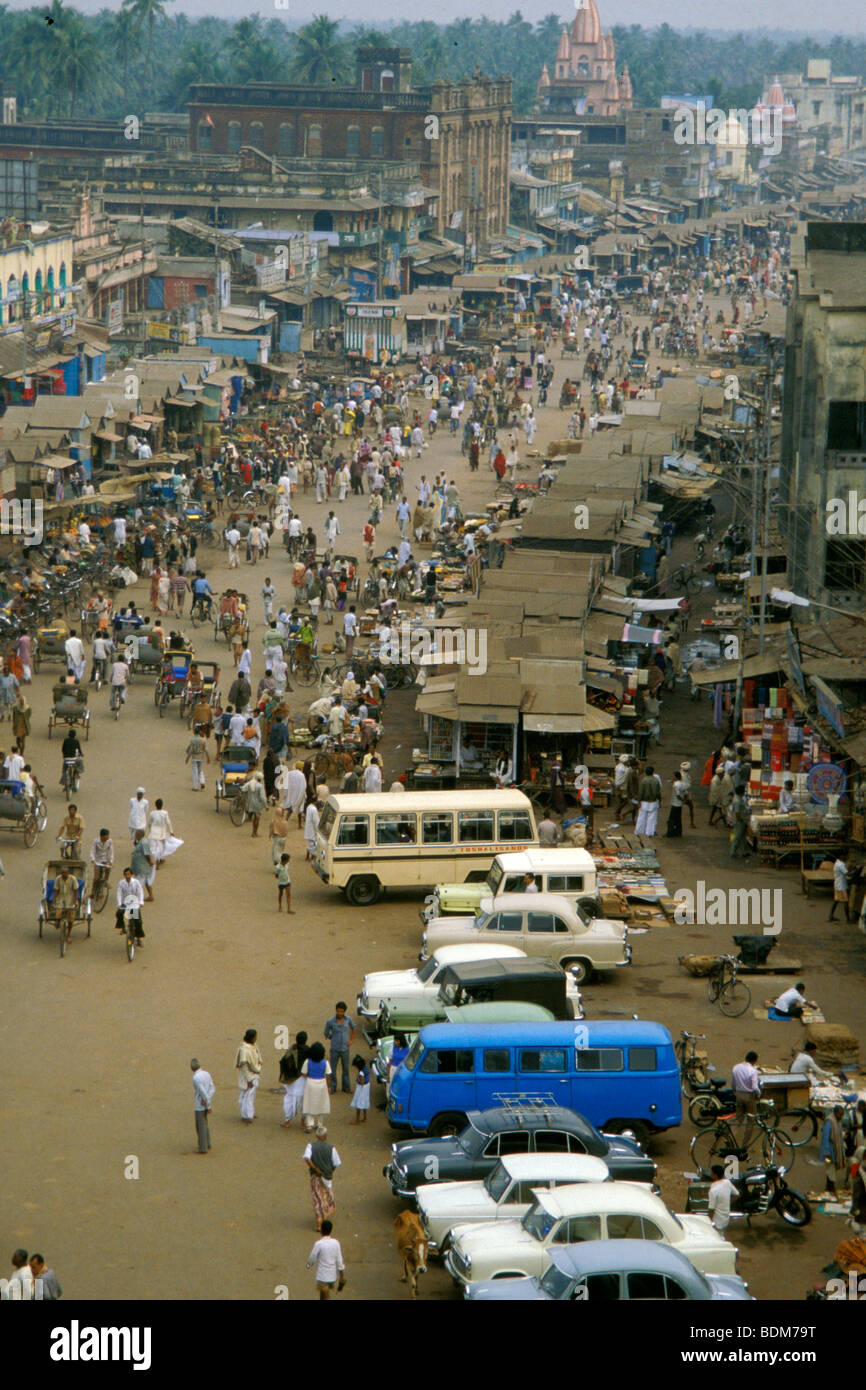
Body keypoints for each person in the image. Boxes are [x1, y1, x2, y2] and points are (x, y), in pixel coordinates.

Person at [304, 1126, 342, 1231]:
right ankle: (324, 1217)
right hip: (327, 1177)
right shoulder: (331, 1148)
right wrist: (330, 1171)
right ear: (325, 1136)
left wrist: (315, 1168)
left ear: (316, 1136)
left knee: (317, 1198)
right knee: (326, 1196)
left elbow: (307, 1158)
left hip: (315, 1177)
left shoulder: (310, 1146)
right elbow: (336, 1163)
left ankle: (319, 1222)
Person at [306, 1219, 345, 1300]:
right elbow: (339, 1259)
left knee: (325, 1297)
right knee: (322, 1296)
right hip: (332, 1277)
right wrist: (341, 1275)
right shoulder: (336, 1243)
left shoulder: (319, 1244)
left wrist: (309, 1265)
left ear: (321, 1231)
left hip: (323, 1277)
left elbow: (313, 1256)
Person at [324, 1002, 355, 1096]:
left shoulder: (348, 1019)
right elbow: (326, 1033)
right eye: (338, 1011)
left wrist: (351, 1040)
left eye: (342, 1011)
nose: (340, 1013)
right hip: (334, 1049)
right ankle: (333, 1087)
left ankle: (346, 1087)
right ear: (336, 1010)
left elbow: (354, 1028)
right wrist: (332, 1038)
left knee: (346, 1069)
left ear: (344, 1011)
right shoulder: (330, 1021)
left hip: (345, 1049)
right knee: (333, 1069)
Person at [731, 1050, 761, 1145]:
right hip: (749, 1097)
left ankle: (730, 1137)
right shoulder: (753, 1071)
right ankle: (745, 1144)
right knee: (750, 1121)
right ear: (754, 1061)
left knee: (738, 1118)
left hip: (739, 1095)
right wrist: (758, 1094)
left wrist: (735, 1091)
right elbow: (755, 1087)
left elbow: (733, 1083)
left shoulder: (736, 1068)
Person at [280, 1032, 309, 1128]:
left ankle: (287, 1121)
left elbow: (284, 1061)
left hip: (292, 1080)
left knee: (289, 1099)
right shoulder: (309, 1050)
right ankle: (303, 1122)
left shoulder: (291, 1049)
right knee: (304, 1101)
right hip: (303, 1079)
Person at [301, 1041, 331, 1130]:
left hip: (310, 1083)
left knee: (309, 1103)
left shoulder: (307, 1061)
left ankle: (309, 1124)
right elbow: (328, 1075)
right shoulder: (325, 1062)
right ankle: (320, 1124)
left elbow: (304, 1073)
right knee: (321, 1104)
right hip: (322, 1083)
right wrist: (329, 1087)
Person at [235, 1028, 263, 1125]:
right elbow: (244, 1066)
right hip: (248, 1076)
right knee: (247, 1096)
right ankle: (245, 1116)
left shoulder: (253, 1046)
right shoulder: (244, 1050)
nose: (256, 1038)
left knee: (251, 1095)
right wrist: (248, 1080)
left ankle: (249, 1113)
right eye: (255, 1036)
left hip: (254, 1073)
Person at [821, 1105, 848, 1198]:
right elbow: (825, 1138)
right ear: (836, 1113)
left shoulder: (837, 1121)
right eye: (840, 1114)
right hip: (829, 1152)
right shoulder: (829, 1121)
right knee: (830, 1168)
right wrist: (827, 1153)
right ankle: (831, 1187)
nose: (841, 1116)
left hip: (834, 1151)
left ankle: (828, 1187)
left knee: (831, 1169)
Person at [191, 1058, 215, 1154]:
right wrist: (209, 1099)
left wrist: (207, 1103)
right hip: (206, 1101)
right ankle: (207, 1143)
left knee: (200, 1126)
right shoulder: (207, 1074)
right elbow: (212, 1088)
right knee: (205, 1124)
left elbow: (202, 1092)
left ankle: (202, 1147)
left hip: (200, 1104)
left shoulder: (196, 1078)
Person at [115, 867, 145, 944]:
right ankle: (123, 927)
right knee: (119, 913)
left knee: (137, 922)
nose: (127, 876)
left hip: (134, 903)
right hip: (126, 903)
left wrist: (141, 901)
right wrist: (119, 903)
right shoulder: (121, 883)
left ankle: (138, 938)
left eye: (128, 874)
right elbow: (119, 893)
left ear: (131, 875)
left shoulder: (136, 882)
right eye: (125, 875)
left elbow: (140, 892)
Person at [707, 1163, 738, 1233]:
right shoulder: (727, 1182)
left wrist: (708, 1222)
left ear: (715, 1175)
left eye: (711, 1172)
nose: (710, 1173)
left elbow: (711, 1209)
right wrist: (727, 1203)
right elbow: (737, 1194)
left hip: (717, 1221)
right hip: (725, 1219)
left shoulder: (713, 1190)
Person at [635, 765, 662, 837]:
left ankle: (639, 831)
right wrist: (660, 801)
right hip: (653, 801)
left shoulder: (643, 780)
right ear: (653, 772)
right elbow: (658, 793)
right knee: (652, 818)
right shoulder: (656, 781)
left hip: (644, 801)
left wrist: (639, 801)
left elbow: (641, 792)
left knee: (641, 817)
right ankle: (649, 832)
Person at [241, 769, 267, 838]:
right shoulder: (260, 786)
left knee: (254, 818)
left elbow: (243, 789)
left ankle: (253, 832)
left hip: (250, 803)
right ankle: (254, 833)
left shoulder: (250, 783)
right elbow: (262, 798)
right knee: (257, 819)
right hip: (257, 804)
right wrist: (266, 806)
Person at [729, 784, 751, 861]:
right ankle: (733, 852)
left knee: (743, 837)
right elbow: (737, 813)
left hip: (742, 820)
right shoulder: (737, 801)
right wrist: (741, 820)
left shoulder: (739, 798)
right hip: (739, 821)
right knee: (737, 837)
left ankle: (743, 851)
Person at [829, 856, 851, 922]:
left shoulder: (836, 863)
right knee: (846, 901)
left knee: (836, 900)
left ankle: (831, 915)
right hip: (842, 885)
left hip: (837, 884)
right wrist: (856, 871)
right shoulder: (841, 865)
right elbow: (848, 874)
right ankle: (848, 919)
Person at [350, 1056, 370, 1125]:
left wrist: (358, 1079)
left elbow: (361, 1082)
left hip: (361, 1089)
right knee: (365, 1102)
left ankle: (357, 1120)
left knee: (359, 1103)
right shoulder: (366, 1068)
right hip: (367, 1087)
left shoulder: (361, 1073)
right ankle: (365, 1118)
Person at [665, 772, 685, 838]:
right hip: (679, 805)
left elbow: (678, 795)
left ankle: (669, 833)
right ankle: (678, 832)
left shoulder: (676, 785)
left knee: (671, 819)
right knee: (678, 819)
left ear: (676, 777)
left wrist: (682, 799)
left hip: (675, 804)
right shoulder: (682, 783)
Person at [304, 797, 320, 861]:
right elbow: (315, 820)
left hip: (309, 827)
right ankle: (312, 857)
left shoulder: (309, 807)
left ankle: (307, 856)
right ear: (315, 802)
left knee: (310, 843)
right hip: (312, 829)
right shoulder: (314, 809)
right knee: (313, 844)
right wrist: (318, 829)